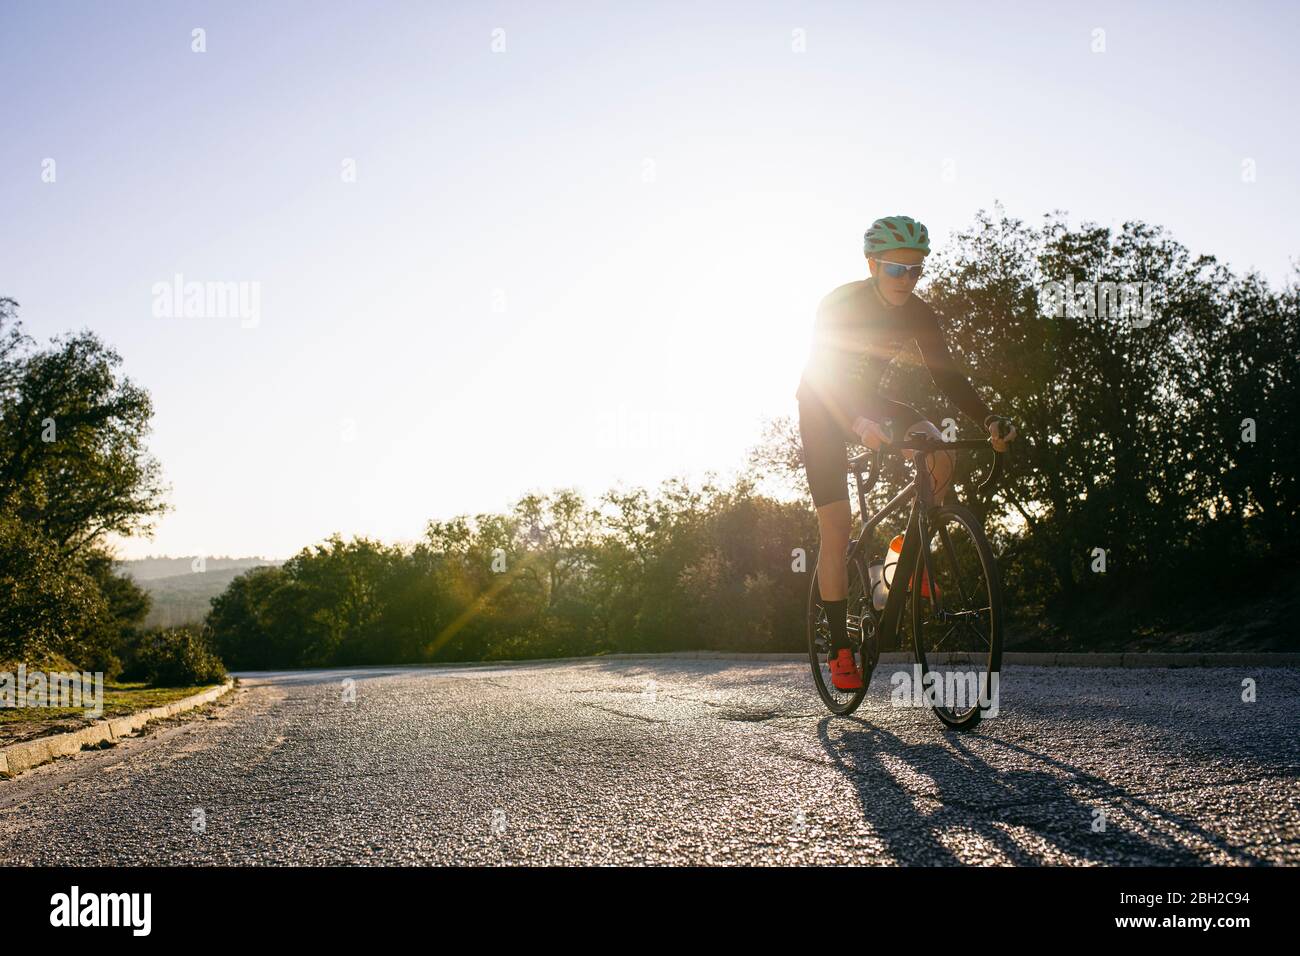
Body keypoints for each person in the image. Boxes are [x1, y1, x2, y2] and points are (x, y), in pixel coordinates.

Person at [794, 215, 1017, 690]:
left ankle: (906, 554)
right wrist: (856, 422)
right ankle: (838, 649)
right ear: (872, 264)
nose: (908, 280)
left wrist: (989, 418)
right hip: (822, 409)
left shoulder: (918, 312)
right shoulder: (841, 304)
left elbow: (947, 375)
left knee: (937, 449)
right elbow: (820, 375)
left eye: (917, 270)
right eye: (898, 269)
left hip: (872, 406)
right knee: (837, 528)